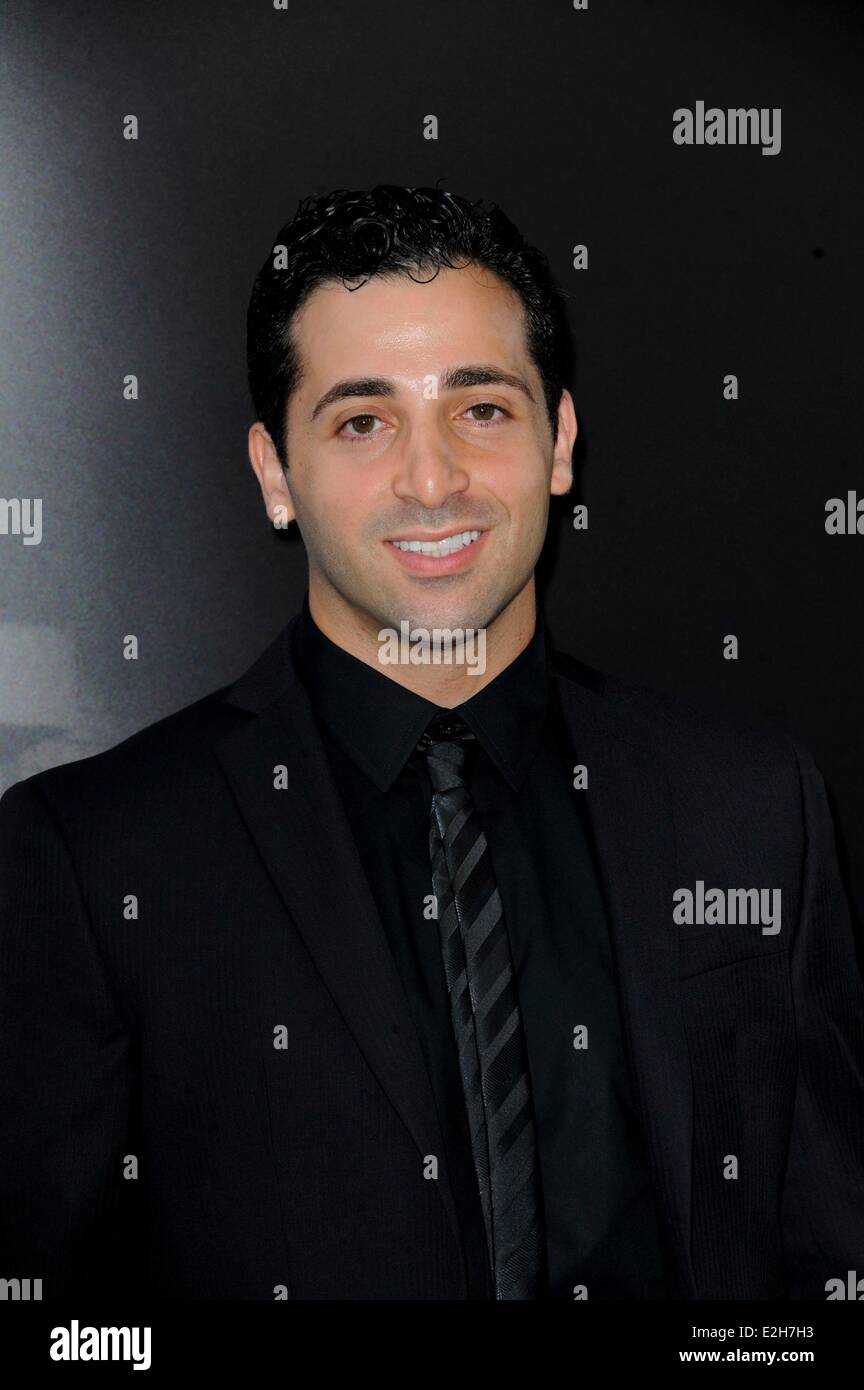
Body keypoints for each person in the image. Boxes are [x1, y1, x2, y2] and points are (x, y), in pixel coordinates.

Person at [1, 185, 862, 1301]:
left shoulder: (752, 811)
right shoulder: (92, 857)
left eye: (481, 408)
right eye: (363, 420)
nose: (432, 478)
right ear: (275, 473)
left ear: (559, 441)